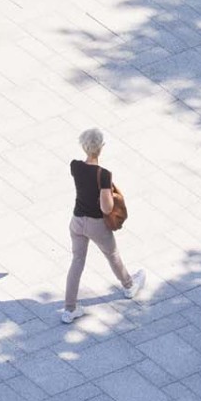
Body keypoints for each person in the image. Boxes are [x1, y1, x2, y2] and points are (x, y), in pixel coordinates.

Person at [61, 126, 145, 325]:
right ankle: (129, 286)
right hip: (96, 224)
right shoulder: (104, 174)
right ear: (101, 148)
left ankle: (69, 309)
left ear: (84, 146)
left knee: (77, 261)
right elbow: (106, 208)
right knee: (112, 255)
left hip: (76, 221)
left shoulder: (75, 166)